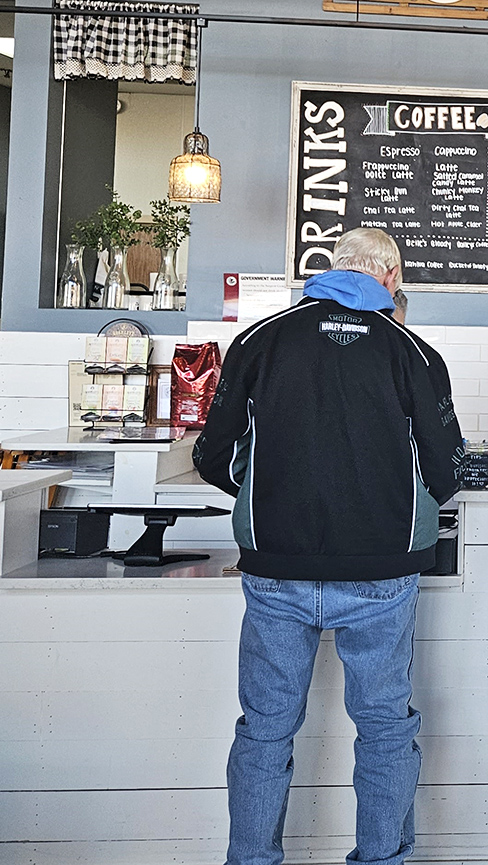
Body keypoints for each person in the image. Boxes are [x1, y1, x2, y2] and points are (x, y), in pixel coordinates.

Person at [193, 228, 464, 865]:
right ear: (391, 277)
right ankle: (382, 859)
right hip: (380, 576)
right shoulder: (414, 352)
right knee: (385, 731)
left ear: (330, 269)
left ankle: (251, 860)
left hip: (275, 571)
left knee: (263, 731)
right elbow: (448, 470)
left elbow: (212, 454)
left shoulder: (259, 340)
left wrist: (259, 487)